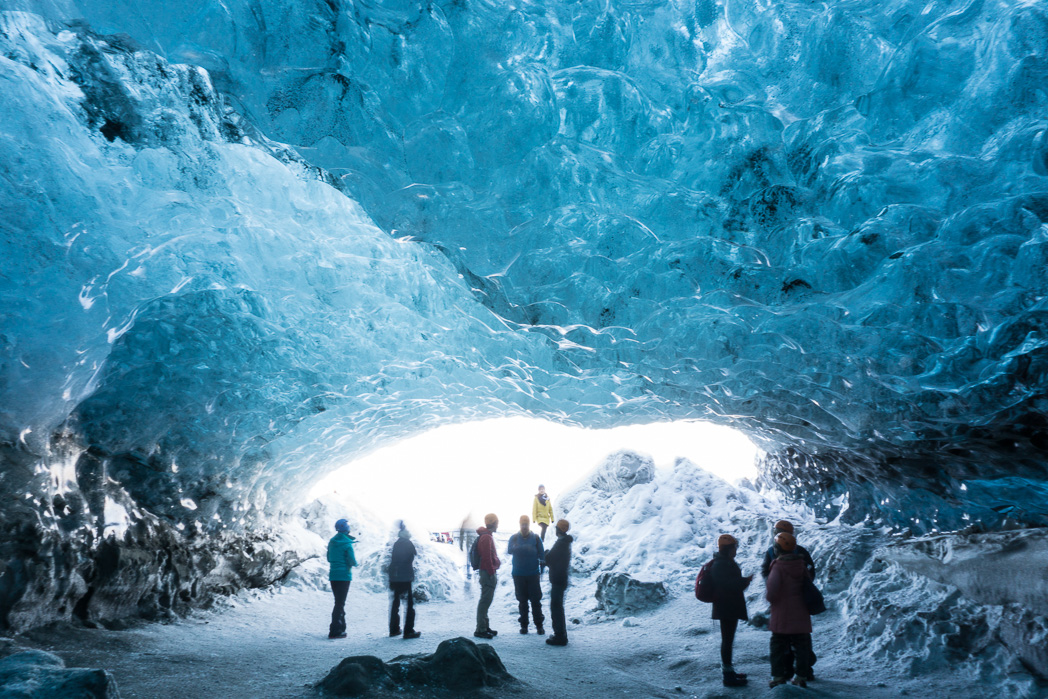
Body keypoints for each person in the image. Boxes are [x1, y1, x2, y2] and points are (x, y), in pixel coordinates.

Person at [760, 519, 816, 678]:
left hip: (782, 607)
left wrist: (772, 584)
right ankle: (804, 671)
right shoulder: (801, 554)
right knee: (801, 639)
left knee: (781, 640)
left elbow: (766, 574)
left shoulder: (774, 556)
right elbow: (810, 574)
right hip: (800, 607)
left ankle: (785, 671)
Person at [709, 534, 752, 687]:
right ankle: (728, 676)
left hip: (727, 606)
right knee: (727, 641)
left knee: (728, 640)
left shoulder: (723, 562)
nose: (736, 551)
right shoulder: (721, 564)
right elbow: (727, 585)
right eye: (734, 548)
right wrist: (744, 581)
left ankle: (729, 672)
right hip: (726, 607)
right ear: (728, 549)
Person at [508, 514, 546, 634]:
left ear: (529, 525)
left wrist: (541, 570)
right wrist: (524, 548)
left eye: (526, 524)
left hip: (533, 574)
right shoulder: (514, 538)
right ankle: (524, 626)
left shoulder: (536, 538)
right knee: (522, 601)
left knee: (536, 601)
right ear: (520, 525)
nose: (524, 526)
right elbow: (509, 550)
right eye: (522, 524)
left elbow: (542, 554)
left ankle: (539, 626)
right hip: (518, 574)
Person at [388, 523, 421, 639]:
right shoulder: (408, 543)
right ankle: (408, 631)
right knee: (409, 604)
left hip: (395, 576)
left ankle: (394, 629)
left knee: (395, 603)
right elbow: (412, 556)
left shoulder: (397, 543)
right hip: (405, 577)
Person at [327, 518, 357, 639]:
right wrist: (353, 564)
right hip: (344, 576)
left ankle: (341, 628)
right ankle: (335, 630)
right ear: (347, 529)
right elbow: (352, 561)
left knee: (338, 602)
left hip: (333, 576)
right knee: (340, 603)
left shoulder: (332, 542)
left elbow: (329, 558)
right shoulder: (347, 544)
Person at [544, 519, 573, 646]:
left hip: (558, 579)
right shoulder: (565, 543)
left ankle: (559, 636)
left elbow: (549, 558)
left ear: (559, 530)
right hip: (561, 578)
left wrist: (545, 552)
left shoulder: (561, 544)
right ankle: (561, 634)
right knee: (558, 607)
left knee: (556, 608)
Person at [474, 513, 501, 639]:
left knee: (486, 600)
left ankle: (485, 626)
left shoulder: (486, 536)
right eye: (497, 523)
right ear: (493, 523)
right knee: (485, 601)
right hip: (487, 572)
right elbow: (486, 557)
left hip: (486, 571)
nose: (498, 525)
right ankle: (481, 629)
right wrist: (491, 572)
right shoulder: (486, 537)